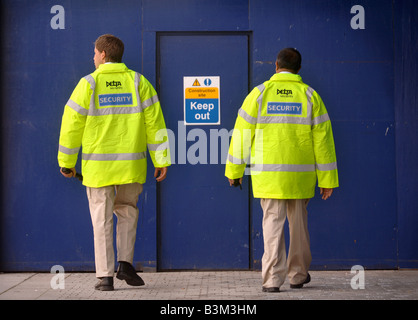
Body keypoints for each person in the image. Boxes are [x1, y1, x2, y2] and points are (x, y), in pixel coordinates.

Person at [58, 34, 170, 291]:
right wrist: (161, 158)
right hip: (130, 166)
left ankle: (105, 276)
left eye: (95, 53)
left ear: (103, 55)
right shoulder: (138, 82)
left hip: (98, 169)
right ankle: (125, 264)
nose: (93, 57)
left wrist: (67, 161)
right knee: (128, 212)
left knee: (102, 219)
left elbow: (71, 124)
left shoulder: (88, 84)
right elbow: (155, 123)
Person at [225, 48, 338, 292]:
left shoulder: (259, 94)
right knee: (298, 228)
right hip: (299, 178)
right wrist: (327, 179)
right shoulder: (310, 96)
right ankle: (297, 275)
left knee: (272, 226)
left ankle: (272, 281)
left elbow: (242, 134)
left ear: (276, 66)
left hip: (269, 177)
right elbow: (323, 141)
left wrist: (234, 171)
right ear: (299, 69)